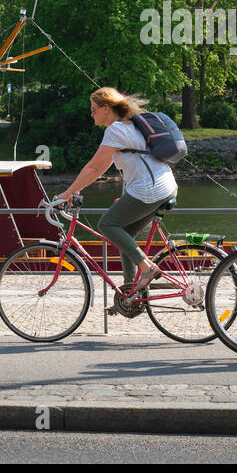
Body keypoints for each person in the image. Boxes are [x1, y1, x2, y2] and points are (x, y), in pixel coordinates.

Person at [56, 88, 173, 308]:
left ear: (105, 109)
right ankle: (131, 294)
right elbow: (100, 168)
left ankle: (147, 268)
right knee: (124, 234)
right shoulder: (128, 127)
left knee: (107, 224)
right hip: (164, 186)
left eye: (93, 110)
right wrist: (77, 188)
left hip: (149, 190)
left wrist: (67, 192)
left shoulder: (116, 130)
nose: (91, 114)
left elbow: (93, 166)